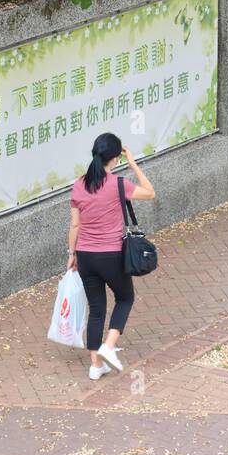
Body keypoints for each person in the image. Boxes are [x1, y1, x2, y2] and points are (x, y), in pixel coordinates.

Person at [67, 132, 155, 380]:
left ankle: (95, 366)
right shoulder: (118, 184)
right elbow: (150, 192)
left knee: (96, 310)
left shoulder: (78, 185)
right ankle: (109, 345)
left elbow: (74, 226)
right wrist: (134, 162)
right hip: (111, 255)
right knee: (125, 298)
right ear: (115, 159)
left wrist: (72, 254)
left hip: (85, 256)